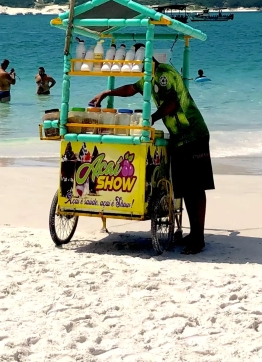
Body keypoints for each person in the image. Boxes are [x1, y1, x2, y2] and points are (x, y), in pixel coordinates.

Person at [89, 53, 213, 255]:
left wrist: (152, 118)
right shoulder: (150, 76)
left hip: (193, 133)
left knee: (195, 189)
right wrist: (107, 92)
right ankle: (195, 233)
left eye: (139, 63)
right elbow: (132, 89)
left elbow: (172, 101)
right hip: (179, 137)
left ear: (149, 60)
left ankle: (199, 239)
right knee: (186, 189)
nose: (138, 67)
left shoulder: (164, 73)